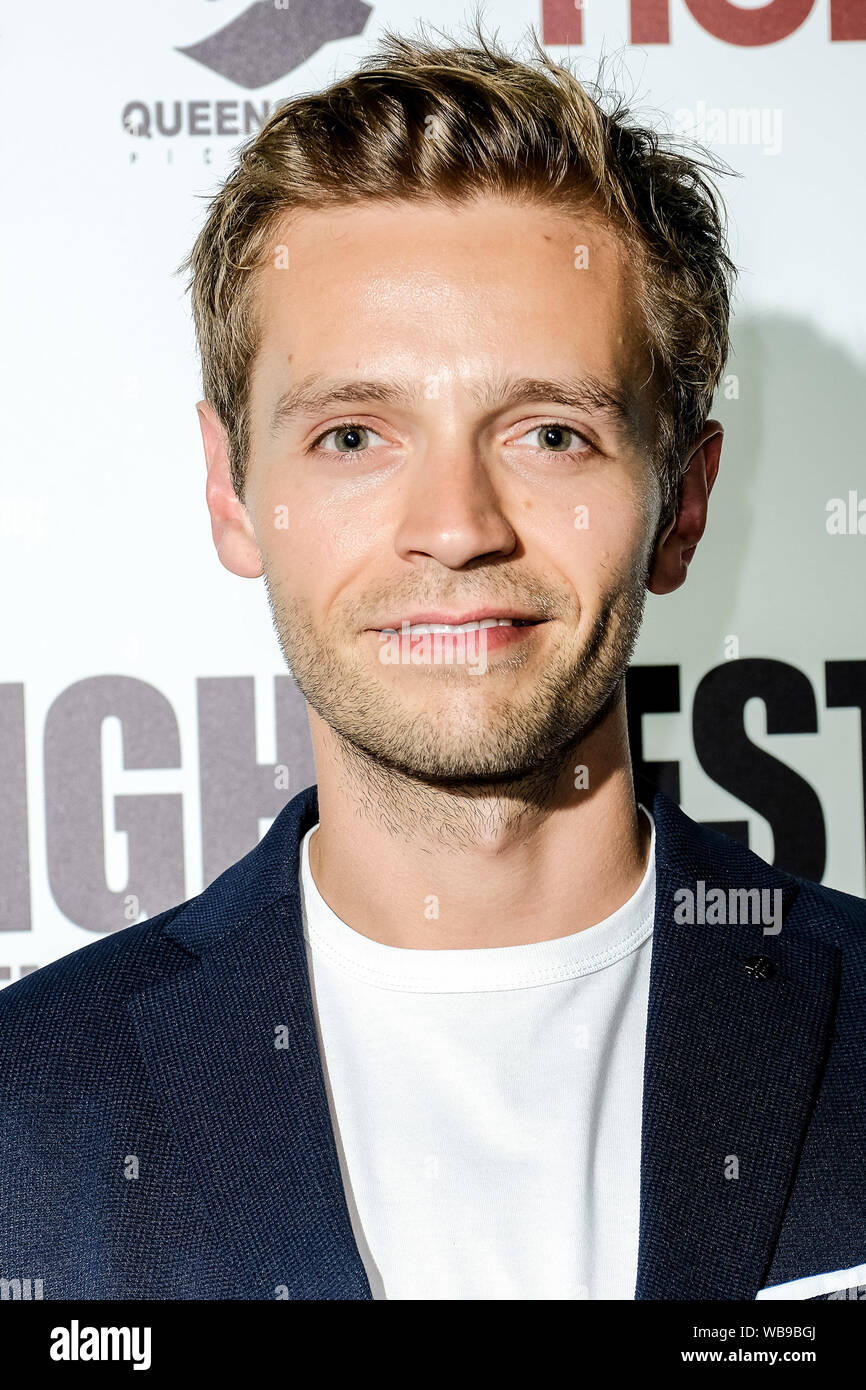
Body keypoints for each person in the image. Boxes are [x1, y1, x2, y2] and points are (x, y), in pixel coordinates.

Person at [1, 23, 863, 1302]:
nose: (455, 526)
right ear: (231, 493)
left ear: (680, 504)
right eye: (353, 434)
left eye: (550, 432)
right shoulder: (29, 1107)